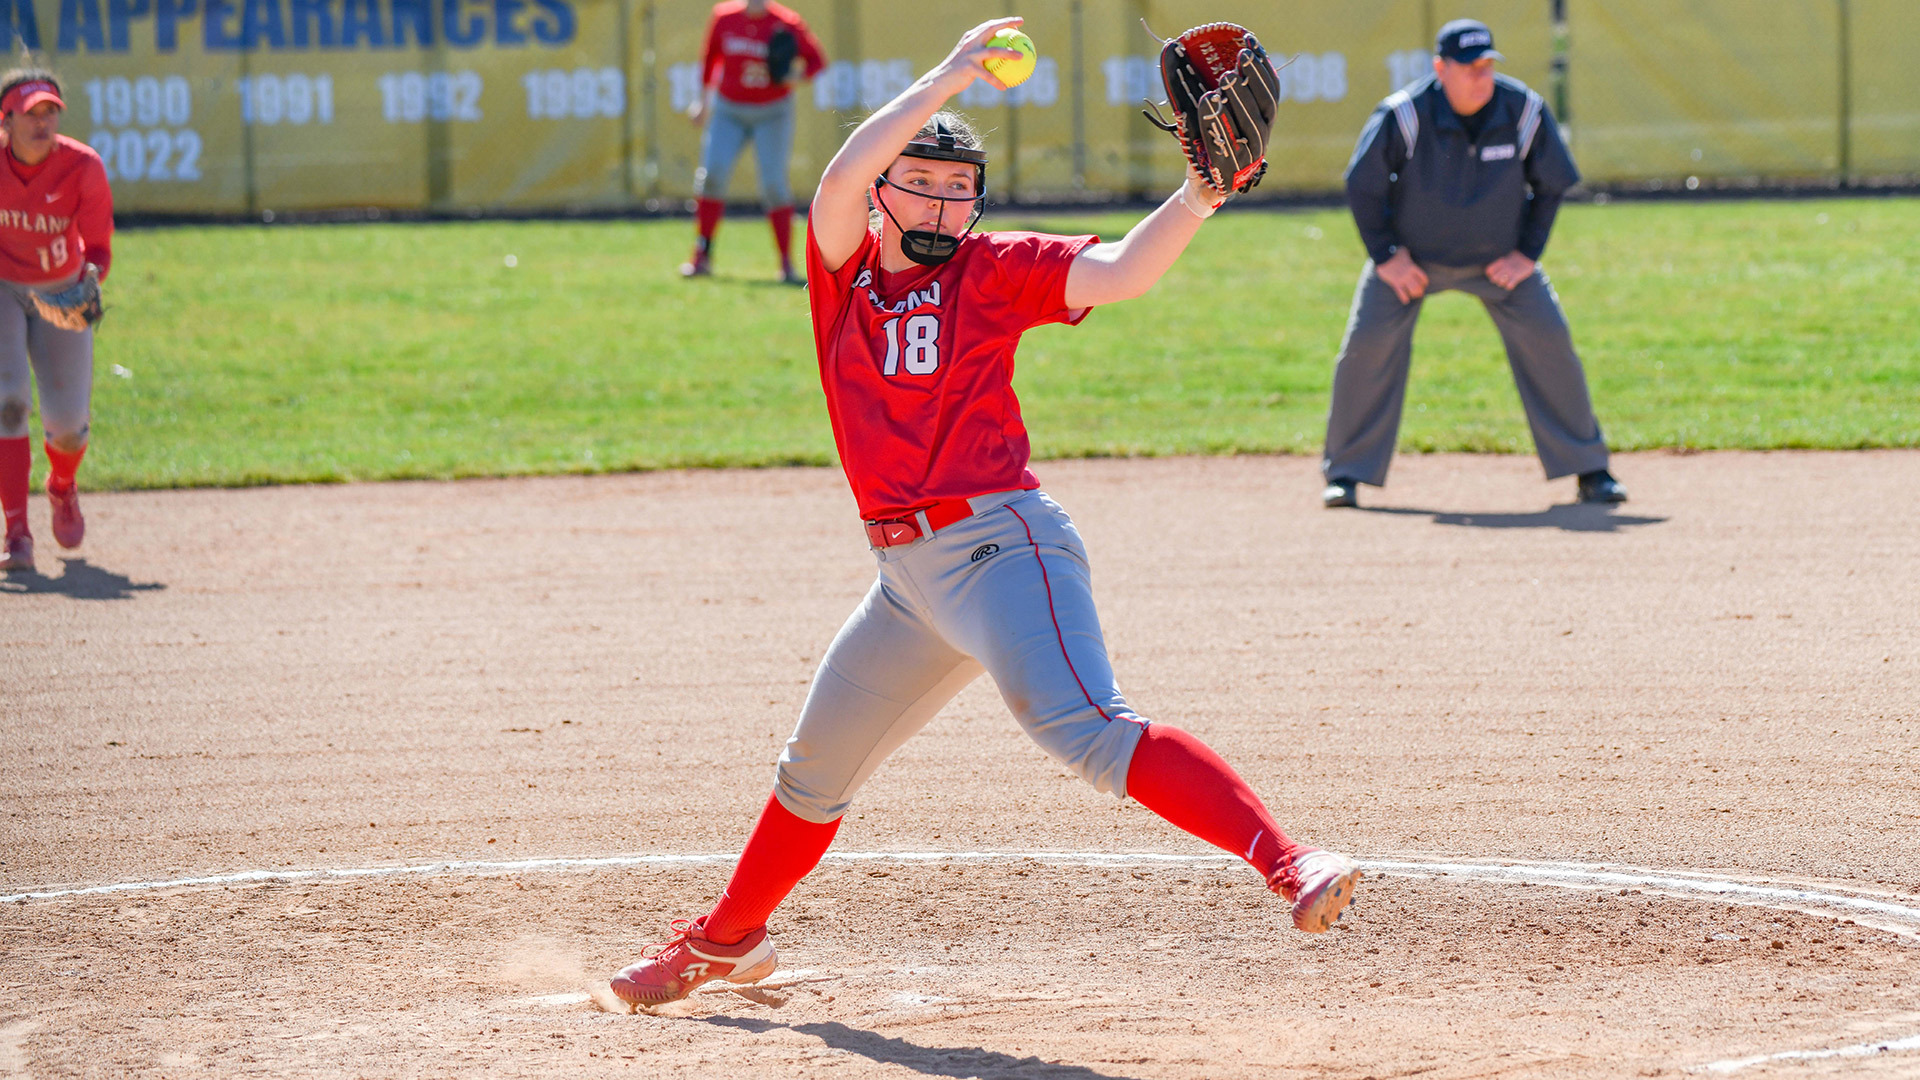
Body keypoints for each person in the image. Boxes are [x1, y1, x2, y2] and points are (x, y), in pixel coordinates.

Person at [610, 17, 1361, 1009]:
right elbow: (836, 180)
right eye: (920, 180)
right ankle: (728, 941)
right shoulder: (843, 278)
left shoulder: (992, 270)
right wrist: (946, 78)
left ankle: (1290, 862)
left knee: (1088, 730)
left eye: (959, 186)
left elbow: (1121, 273)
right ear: (882, 192)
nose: (940, 200)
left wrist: (1197, 197)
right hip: (907, 585)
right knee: (813, 772)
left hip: (1003, 548)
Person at [1319, 19, 1625, 510]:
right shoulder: (1405, 114)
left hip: (1498, 264)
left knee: (1550, 339)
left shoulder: (1523, 109)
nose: (1481, 76)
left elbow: (1552, 184)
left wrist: (1527, 255)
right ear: (1441, 68)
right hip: (1413, 263)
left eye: (1486, 65)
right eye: (1468, 67)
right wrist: (1386, 256)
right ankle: (1346, 474)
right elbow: (1363, 185)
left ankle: (1590, 468)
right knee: (1368, 344)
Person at [0, 69, 111, 572]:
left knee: (67, 427)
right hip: (2, 288)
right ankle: (16, 532)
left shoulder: (82, 166)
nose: (42, 123)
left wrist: (90, 280)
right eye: (30, 114)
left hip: (60, 292)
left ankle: (62, 485)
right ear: (6, 122)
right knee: (8, 404)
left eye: (50, 112)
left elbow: (99, 248)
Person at [681, 0, 826, 284]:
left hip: (772, 111)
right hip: (729, 109)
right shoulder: (725, 17)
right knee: (712, 176)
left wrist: (797, 75)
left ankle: (786, 264)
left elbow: (816, 61)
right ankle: (702, 255)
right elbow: (710, 58)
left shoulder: (786, 22)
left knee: (774, 184)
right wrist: (703, 101)